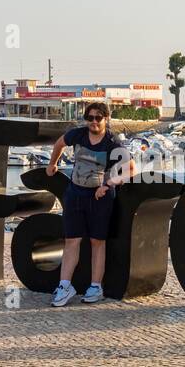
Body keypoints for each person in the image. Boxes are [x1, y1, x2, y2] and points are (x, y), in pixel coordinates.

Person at [44, 103, 136, 306]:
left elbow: (130, 169)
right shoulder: (78, 135)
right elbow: (59, 144)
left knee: (97, 242)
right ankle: (65, 286)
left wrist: (109, 183)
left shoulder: (112, 142)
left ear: (106, 119)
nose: (94, 122)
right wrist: (52, 164)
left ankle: (96, 286)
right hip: (75, 194)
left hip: (100, 198)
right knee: (72, 240)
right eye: (90, 117)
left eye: (98, 118)